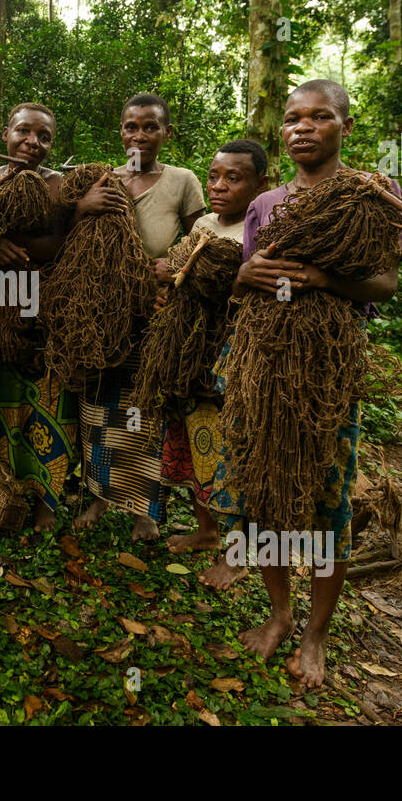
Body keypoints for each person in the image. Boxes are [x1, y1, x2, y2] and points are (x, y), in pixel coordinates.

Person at [220, 78, 402, 687]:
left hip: (326, 373)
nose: (303, 127)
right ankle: (279, 614)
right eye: (293, 118)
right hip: (259, 365)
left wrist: (324, 278)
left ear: (345, 127)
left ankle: (315, 632)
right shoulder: (265, 204)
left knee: (329, 497)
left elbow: (384, 283)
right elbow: (244, 279)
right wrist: (247, 272)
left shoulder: (374, 196)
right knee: (262, 489)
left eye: (320, 117)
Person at [73, 93, 205, 541]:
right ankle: (98, 496)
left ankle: (145, 510)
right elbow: (78, 245)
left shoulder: (183, 181)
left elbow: (202, 244)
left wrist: (172, 274)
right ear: (121, 132)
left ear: (167, 133)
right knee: (100, 408)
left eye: (150, 127)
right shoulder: (102, 180)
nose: (139, 135)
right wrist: (79, 206)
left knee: (149, 411)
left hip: (157, 317)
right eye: (131, 126)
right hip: (107, 319)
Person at [158, 141, 268, 595]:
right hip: (188, 354)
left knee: (231, 452)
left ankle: (237, 553)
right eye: (214, 176)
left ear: (261, 185)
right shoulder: (203, 223)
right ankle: (206, 530)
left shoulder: (261, 227)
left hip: (233, 355)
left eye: (234, 178)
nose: (219, 187)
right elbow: (177, 267)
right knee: (189, 442)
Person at [0, 103, 78, 532]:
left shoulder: (61, 188)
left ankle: (48, 501)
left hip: (48, 308)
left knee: (50, 398)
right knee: (3, 398)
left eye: (44, 137)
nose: (33, 143)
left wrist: (19, 249)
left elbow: (65, 247)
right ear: (5, 134)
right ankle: (5, 490)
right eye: (24, 132)